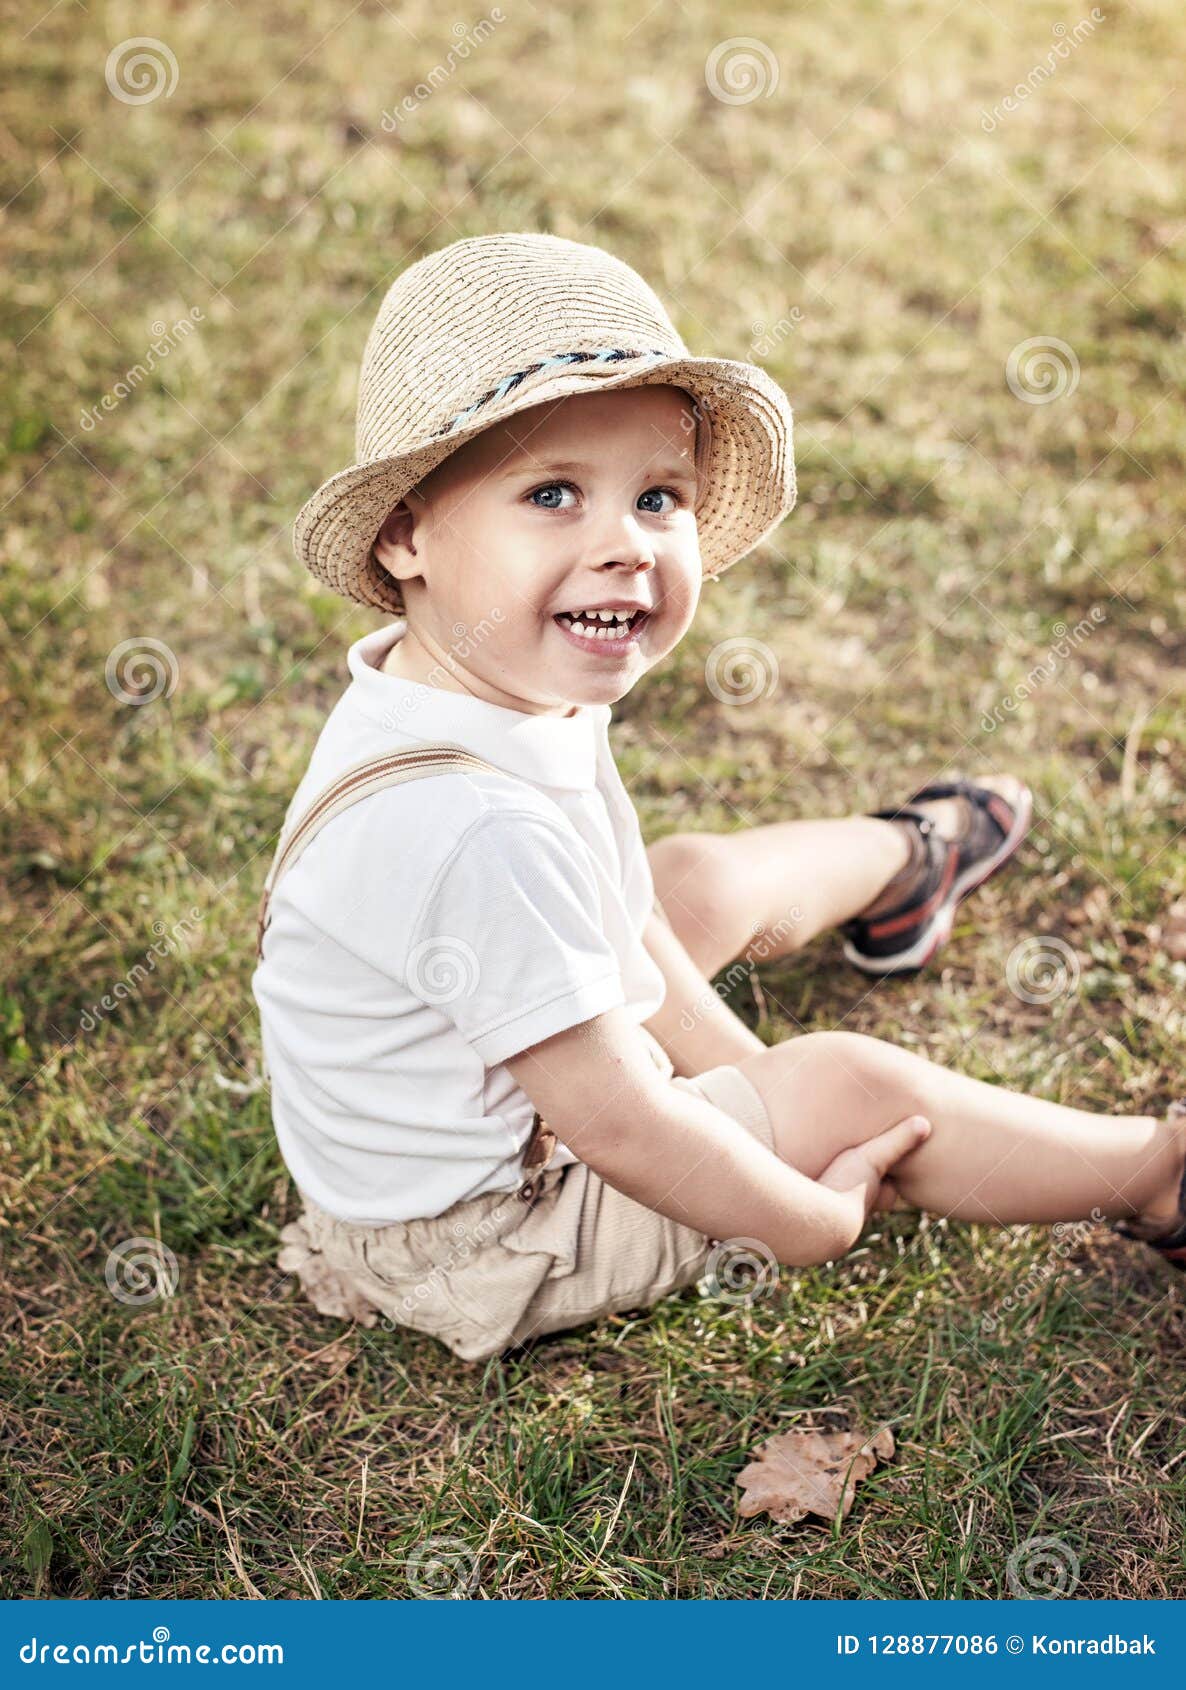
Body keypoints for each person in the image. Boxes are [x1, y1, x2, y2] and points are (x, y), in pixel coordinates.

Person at [251, 232, 1185, 1364]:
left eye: (658, 496)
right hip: (486, 1231)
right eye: (552, 494)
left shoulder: (475, 686)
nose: (625, 547)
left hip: (522, 1069)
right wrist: (805, 1211)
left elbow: (619, 911)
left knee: (688, 879)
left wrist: (744, 1083)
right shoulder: (472, 831)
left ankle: (906, 863)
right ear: (405, 536)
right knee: (842, 1081)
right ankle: (1157, 1175)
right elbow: (618, 1122)